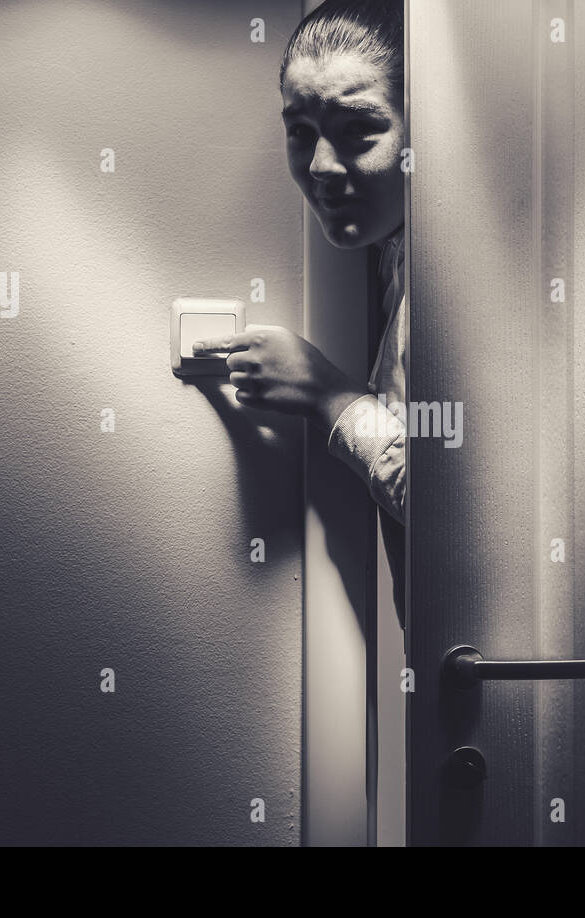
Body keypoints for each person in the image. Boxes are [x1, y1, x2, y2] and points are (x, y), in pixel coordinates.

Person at [192, 0, 407, 624]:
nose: (318, 167)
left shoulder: (454, 288)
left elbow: (454, 512)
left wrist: (326, 394)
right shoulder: (397, 256)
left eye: (358, 128)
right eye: (300, 131)